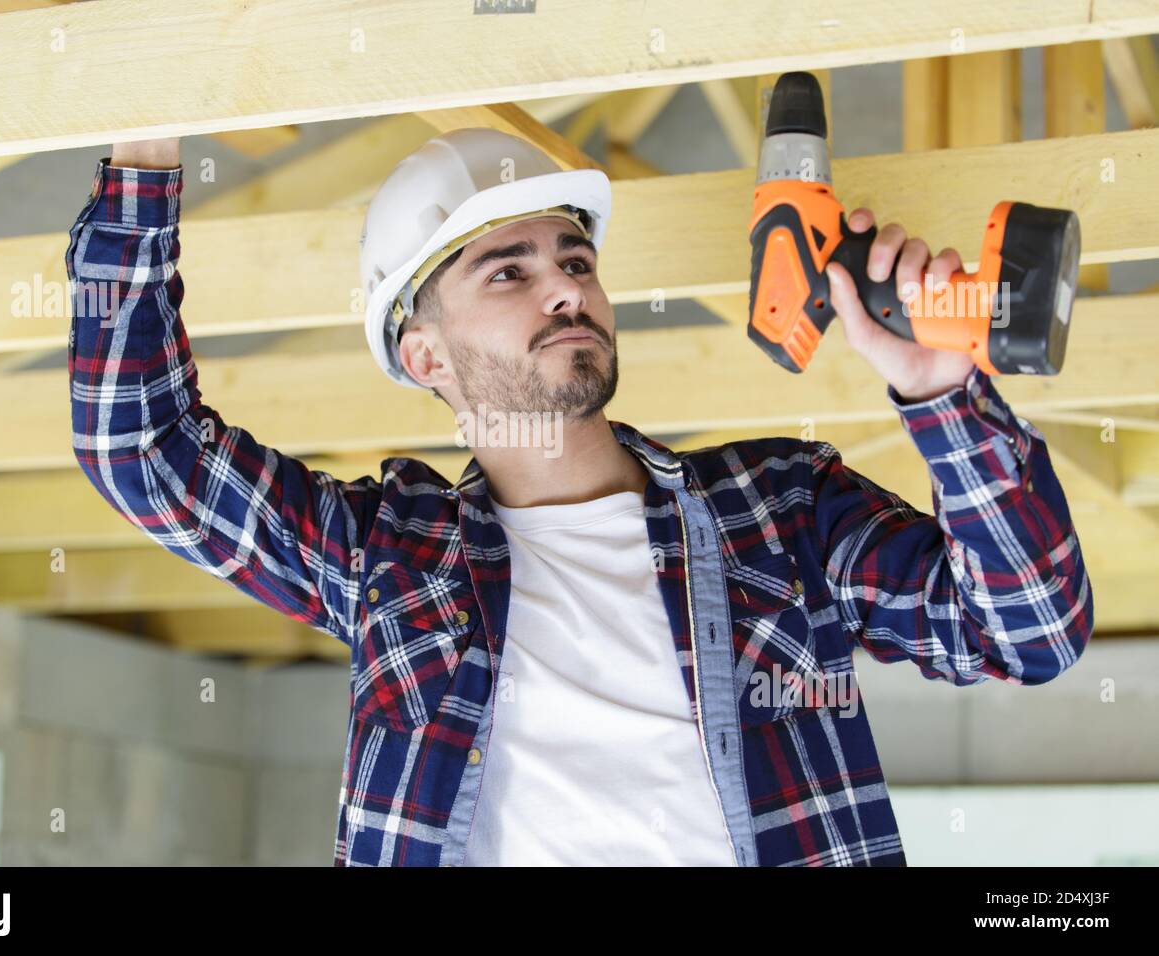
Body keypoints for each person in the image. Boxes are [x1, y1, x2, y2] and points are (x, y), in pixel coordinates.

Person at [68, 129, 1093, 867]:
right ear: (423, 352)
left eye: (574, 260)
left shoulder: (778, 509)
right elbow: (142, 448)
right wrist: (147, 156)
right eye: (505, 272)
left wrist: (933, 386)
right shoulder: (388, 557)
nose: (565, 287)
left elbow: (1029, 629)